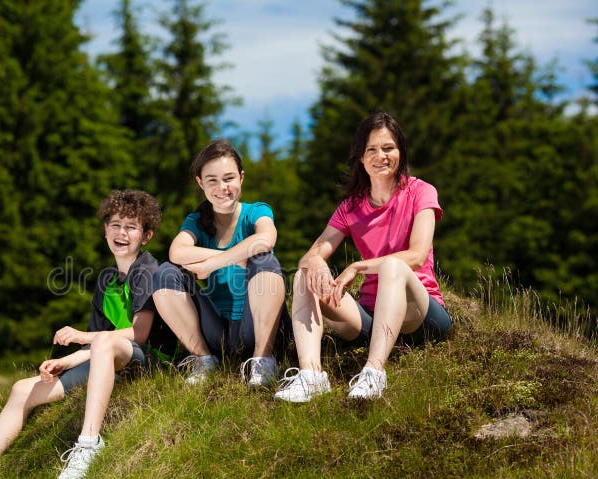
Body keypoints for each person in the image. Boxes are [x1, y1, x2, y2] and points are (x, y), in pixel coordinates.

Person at [0, 189, 175, 479]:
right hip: (112, 358)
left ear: (146, 236)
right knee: (21, 389)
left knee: (104, 341)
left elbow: (138, 334)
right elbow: (98, 347)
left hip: (152, 361)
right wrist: (64, 363)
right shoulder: (107, 280)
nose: (122, 233)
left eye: (131, 227)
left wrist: (82, 336)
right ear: (105, 228)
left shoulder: (147, 270)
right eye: (115, 224)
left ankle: (89, 443)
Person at [274, 111, 452, 403]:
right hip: (370, 318)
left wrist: (358, 266)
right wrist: (316, 260)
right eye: (372, 149)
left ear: (400, 152)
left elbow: (417, 256)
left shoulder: (421, 192)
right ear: (360, 156)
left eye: (388, 148)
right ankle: (311, 375)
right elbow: (314, 252)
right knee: (304, 275)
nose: (381, 156)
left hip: (419, 316)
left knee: (393, 267)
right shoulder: (351, 206)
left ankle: (373, 373)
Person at [152, 139, 289, 386]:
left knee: (263, 258)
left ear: (241, 178)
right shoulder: (197, 220)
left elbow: (266, 239)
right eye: (212, 180)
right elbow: (176, 251)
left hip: (254, 326)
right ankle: (204, 360)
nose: (221, 187)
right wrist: (235, 258)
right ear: (200, 183)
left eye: (229, 178)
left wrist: (210, 264)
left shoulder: (255, 212)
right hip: (217, 333)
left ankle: (263, 360)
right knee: (165, 273)